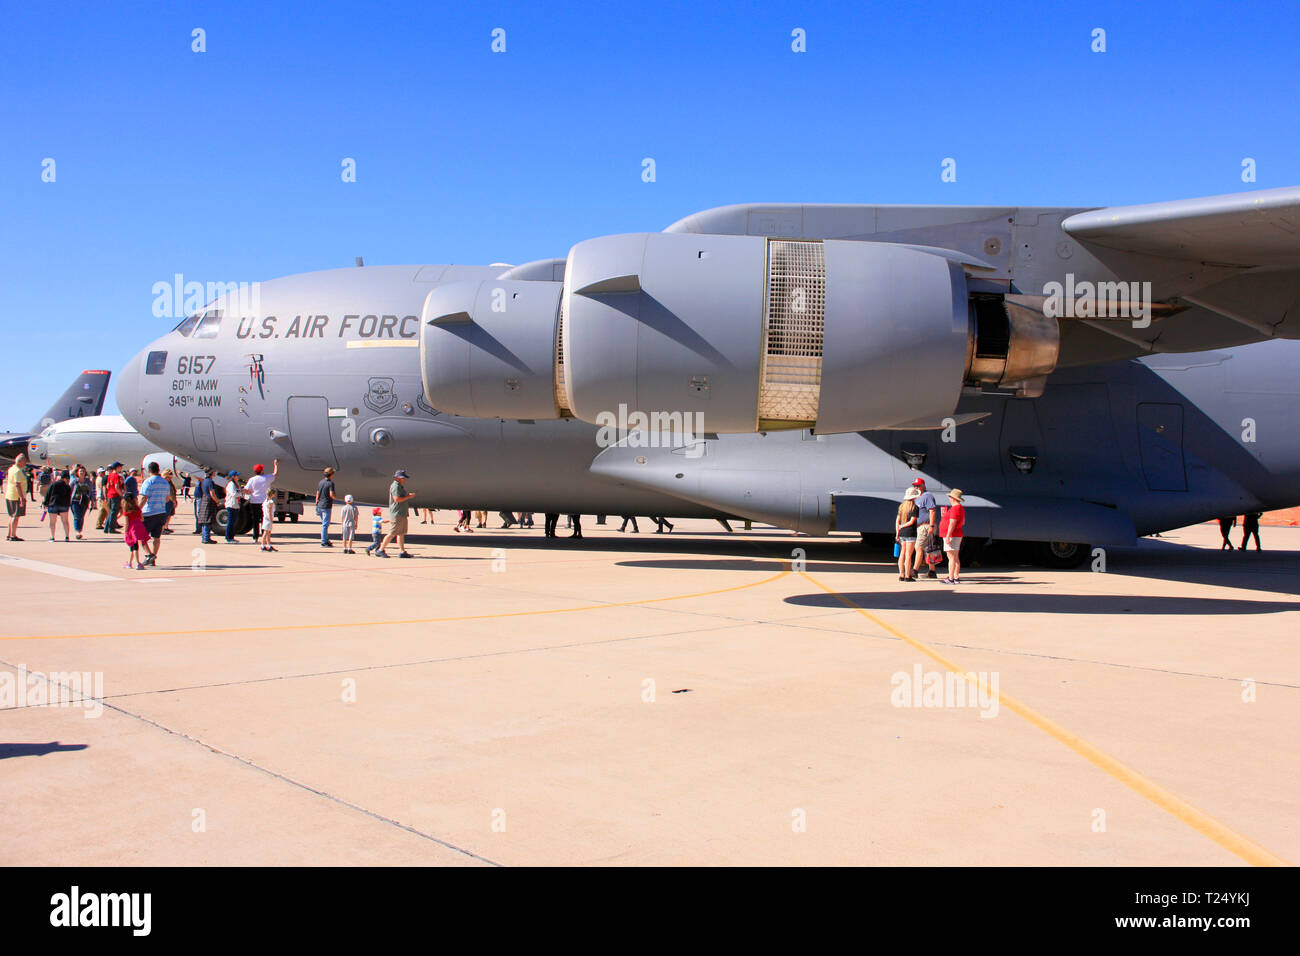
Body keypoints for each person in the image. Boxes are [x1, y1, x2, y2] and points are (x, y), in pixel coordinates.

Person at [374, 469, 417, 558]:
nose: (404, 479)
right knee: (392, 533)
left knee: (401, 533)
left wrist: (407, 496)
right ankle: (380, 550)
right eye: (403, 478)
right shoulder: (396, 486)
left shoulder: (399, 486)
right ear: (398, 478)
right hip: (397, 513)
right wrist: (408, 496)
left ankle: (402, 551)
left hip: (401, 513)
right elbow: (396, 499)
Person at [138, 461, 173, 566]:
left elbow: (144, 497)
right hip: (161, 512)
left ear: (149, 471)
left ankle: (149, 555)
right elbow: (167, 498)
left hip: (149, 512)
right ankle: (153, 558)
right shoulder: (165, 482)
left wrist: (138, 509)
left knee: (141, 536)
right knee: (156, 537)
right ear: (158, 470)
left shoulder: (148, 482)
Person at [244, 461, 279, 551]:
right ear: (261, 471)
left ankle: (255, 537)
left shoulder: (252, 479)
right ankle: (265, 536)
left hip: (254, 501)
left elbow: (246, 490)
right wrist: (275, 465)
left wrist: (251, 492)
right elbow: (275, 474)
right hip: (264, 502)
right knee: (265, 520)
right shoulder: (266, 478)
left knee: (255, 520)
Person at [911, 479, 940, 580]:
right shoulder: (918, 497)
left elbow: (932, 510)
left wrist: (931, 525)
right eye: (915, 486)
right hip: (921, 526)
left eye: (918, 486)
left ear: (923, 485)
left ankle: (914, 571)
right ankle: (932, 571)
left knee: (918, 547)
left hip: (926, 526)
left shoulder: (927, 496)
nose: (916, 487)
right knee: (928, 549)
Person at [941, 489, 967, 584]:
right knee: (955, 556)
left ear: (953, 498)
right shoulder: (960, 508)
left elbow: (952, 522)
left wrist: (948, 535)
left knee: (951, 556)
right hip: (957, 534)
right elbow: (962, 522)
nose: (949, 498)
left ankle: (951, 578)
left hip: (952, 535)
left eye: (950, 497)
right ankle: (956, 577)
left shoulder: (955, 508)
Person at [896, 487, 920, 581]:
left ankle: (901, 575)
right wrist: (903, 526)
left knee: (902, 553)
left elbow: (897, 520)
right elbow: (912, 521)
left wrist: (898, 530)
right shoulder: (914, 507)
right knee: (908, 555)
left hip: (902, 533)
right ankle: (907, 575)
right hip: (910, 532)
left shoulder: (901, 506)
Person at [44, 469, 73, 542]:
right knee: (65, 521)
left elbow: (48, 494)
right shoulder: (67, 486)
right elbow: (69, 497)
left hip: (53, 504)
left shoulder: (54, 484)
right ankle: (67, 536)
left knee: (52, 522)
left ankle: (52, 537)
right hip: (64, 505)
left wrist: (45, 503)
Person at [5, 453, 29, 541]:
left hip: (10, 494)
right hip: (16, 496)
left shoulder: (12, 468)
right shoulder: (18, 471)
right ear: (20, 461)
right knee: (16, 516)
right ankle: (13, 535)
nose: (25, 463)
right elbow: (17, 485)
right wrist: (22, 497)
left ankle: (9, 534)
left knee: (12, 515)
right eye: (24, 461)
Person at [121, 494, 149, 570]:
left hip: (132, 529)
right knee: (134, 546)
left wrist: (125, 532)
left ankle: (137, 563)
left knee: (134, 546)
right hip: (139, 526)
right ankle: (129, 562)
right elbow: (142, 519)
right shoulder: (138, 509)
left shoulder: (126, 511)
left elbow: (127, 523)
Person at [194, 468, 220, 544]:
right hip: (209, 501)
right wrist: (217, 501)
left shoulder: (204, 481)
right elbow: (212, 493)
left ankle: (205, 537)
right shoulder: (210, 482)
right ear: (212, 473)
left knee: (205, 520)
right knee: (207, 520)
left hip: (204, 499)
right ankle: (206, 538)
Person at [69, 465, 93, 539]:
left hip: (84, 501)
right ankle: (77, 532)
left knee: (81, 516)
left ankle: (80, 529)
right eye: (80, 471)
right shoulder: (74, 481)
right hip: (75, 501)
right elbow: (69, 490)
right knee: (77, 516)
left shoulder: (88, 481)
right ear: (77, 473)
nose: (81, 472)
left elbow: (91, 491)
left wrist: (93, 500)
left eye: (83, 471)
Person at [315, 467, 337, 547]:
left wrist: (316, 504)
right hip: (326, 506)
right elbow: (331, 494)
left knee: (324, 524)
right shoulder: (330, 483)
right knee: (325, 525)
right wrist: (335, 497)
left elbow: (317, 494)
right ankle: (324, 541)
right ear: (331, 475)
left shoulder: (321, 482)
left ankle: (326, 539)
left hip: (319, 505)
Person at [103, 461, 125, 533]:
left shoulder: (110, 475)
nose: (121, 468)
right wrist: (121, 495)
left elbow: (108, 486)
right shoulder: (116, 476)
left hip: (110, 495)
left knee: (111, 512)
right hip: (115, 495)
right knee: (114, 513)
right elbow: (116, 487)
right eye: (120, 467)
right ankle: (111, 529)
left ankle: (106, 528)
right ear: (117, 467)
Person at [223, 472, 243, 543]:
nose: (238, 476)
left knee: (234, 522)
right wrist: (241, 494)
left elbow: (238, 492)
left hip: (235, 505)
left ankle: (232, 537)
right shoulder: (231, 484)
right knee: (230, 522)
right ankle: (228, 538)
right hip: (231, 505)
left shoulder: (236, 484)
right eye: (237, 475)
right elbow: (233, 494)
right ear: (233, 476)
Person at [161, 468, 178, 533]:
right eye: (168, 477)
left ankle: (166, 527)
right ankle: (163, 528)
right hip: (167, 501)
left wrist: (174, 500)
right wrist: (173, 500)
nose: (170, 479)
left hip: (171, 500)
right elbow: (167, 493)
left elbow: (172, 491)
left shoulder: (169, 482)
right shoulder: (163, 483)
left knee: (170, 514)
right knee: (165, 515)